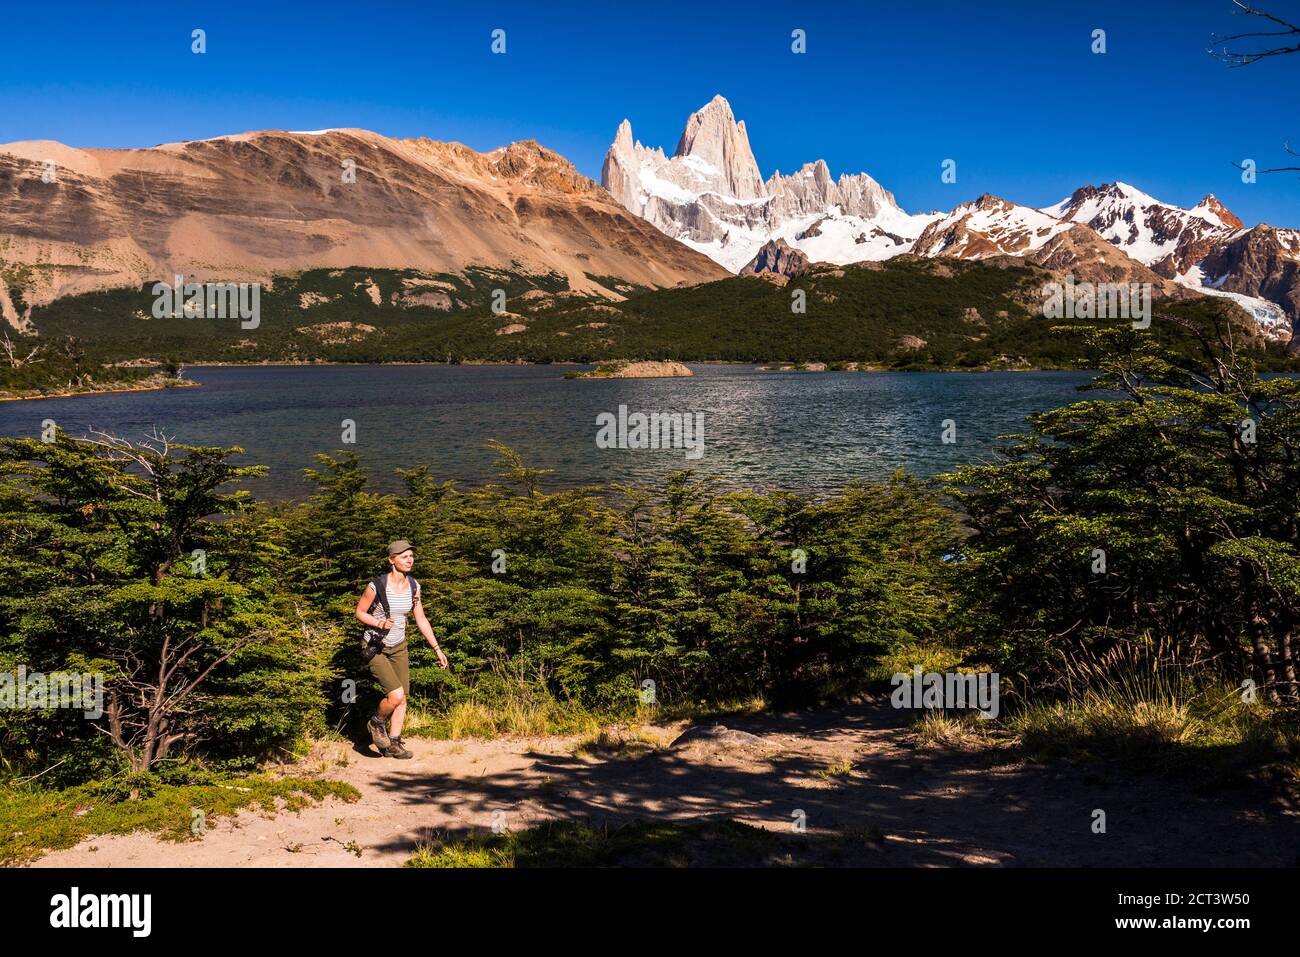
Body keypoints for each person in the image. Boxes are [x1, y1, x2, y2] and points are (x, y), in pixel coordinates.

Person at [354, 540, 448, 758]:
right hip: (375, 646)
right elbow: (359, 612)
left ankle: (393, 744)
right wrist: (378, 623)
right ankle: (376, 723)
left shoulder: (414, 586)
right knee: (394, 695)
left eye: (411, 556)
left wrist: (437, 648)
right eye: (404, 556)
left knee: (402, 697)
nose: (410, 560)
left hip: (399, 646)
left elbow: (421, 619)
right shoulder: (376, 586)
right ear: (391, 560)